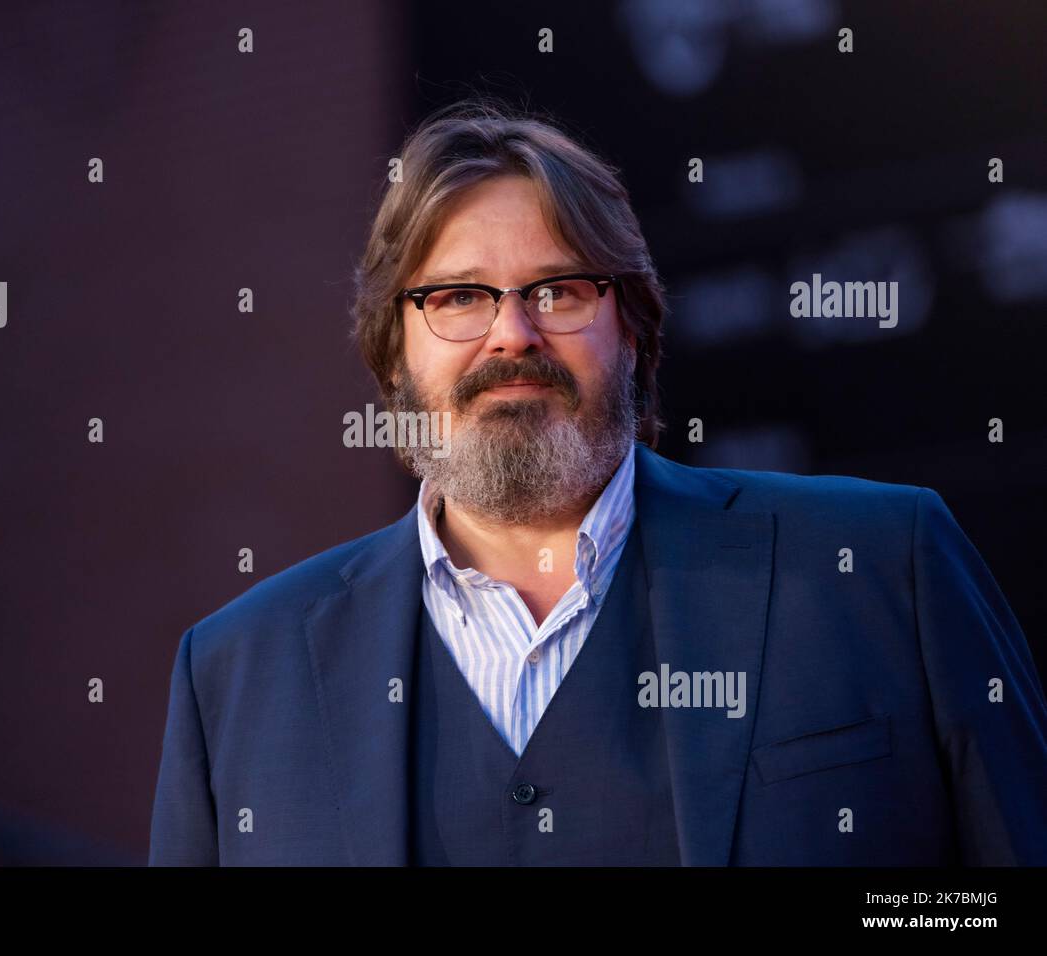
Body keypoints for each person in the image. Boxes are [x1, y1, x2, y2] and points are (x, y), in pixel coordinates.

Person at [148, 98, 1047, 865]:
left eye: (560, 289)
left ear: (636, 334)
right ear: (396, 358)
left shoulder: (883, 567)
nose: (512, 335)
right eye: (458, 297)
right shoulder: (235, 675)